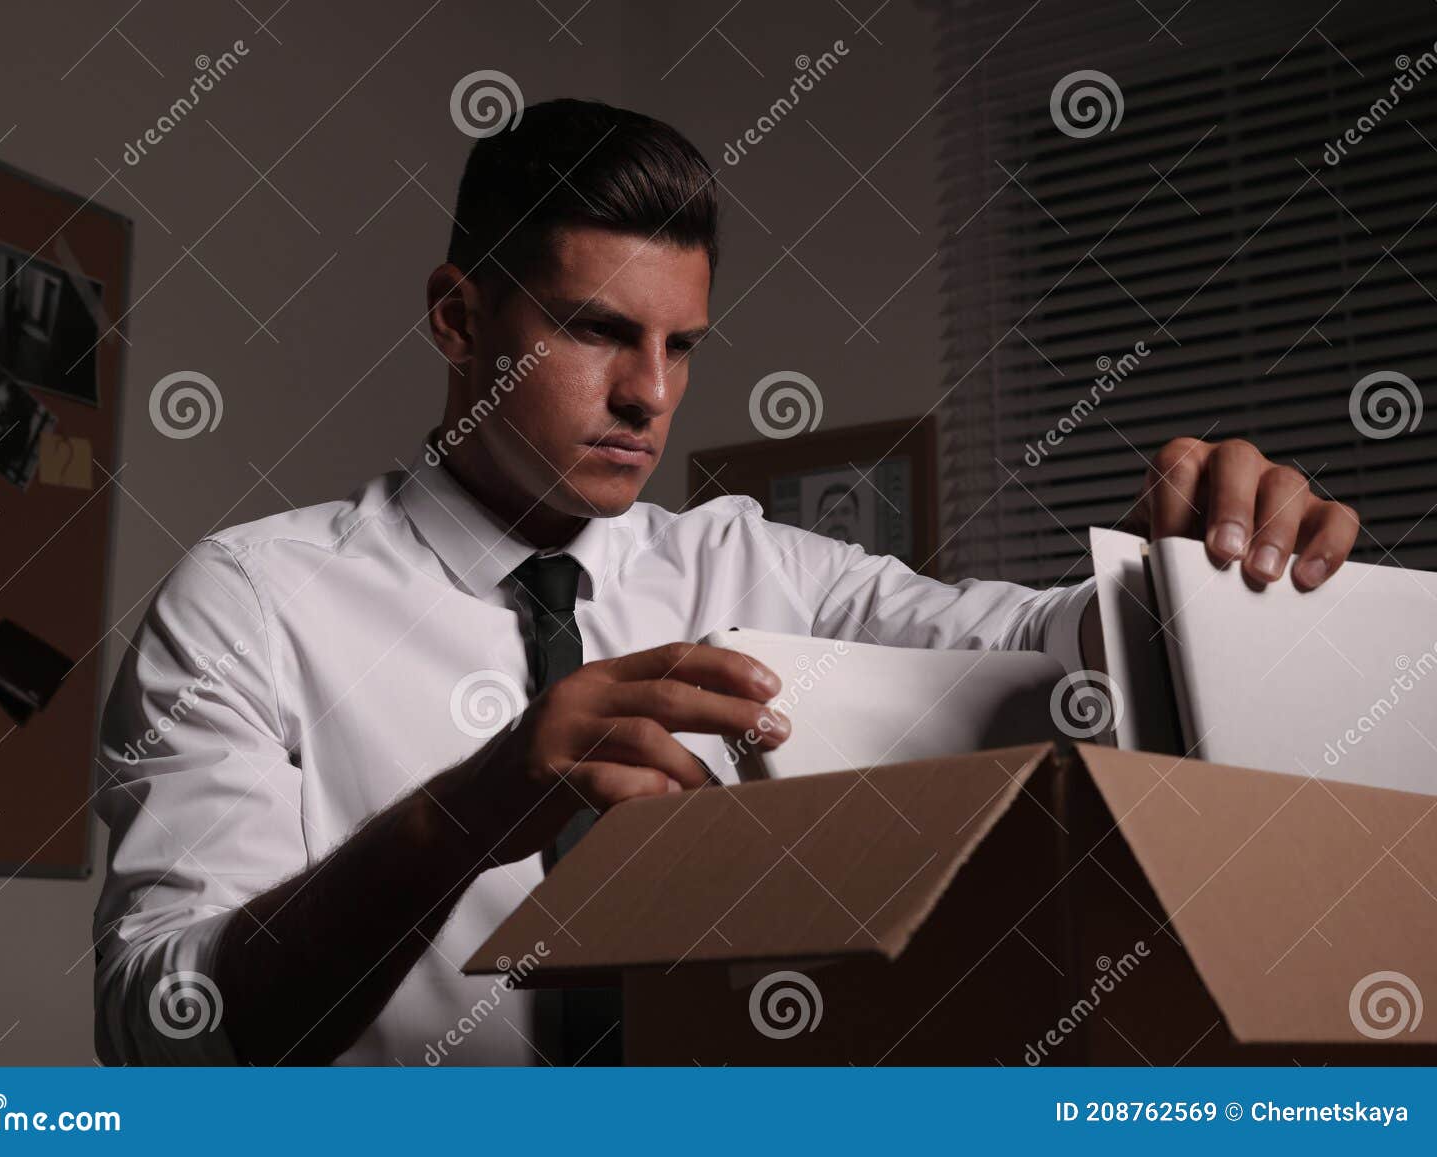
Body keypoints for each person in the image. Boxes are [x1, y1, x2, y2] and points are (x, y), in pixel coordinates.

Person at [91, 98, 1361, 1068]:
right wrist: (471, 809)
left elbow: (1037, 650)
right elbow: (165, 1029)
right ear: (455, 317)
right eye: (596, 329)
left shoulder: (750, 566)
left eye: (679, 344)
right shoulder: (248, 602)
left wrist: (1179, 573)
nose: (648, 392)